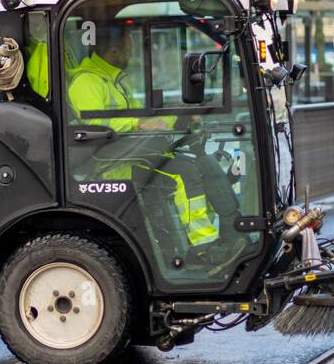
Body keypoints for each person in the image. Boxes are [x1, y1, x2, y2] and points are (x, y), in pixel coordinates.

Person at [67, 27, 238, 255]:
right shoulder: (86, 82)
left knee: (204, 163)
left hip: (133, 152)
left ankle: (233, 234)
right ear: (115, 51)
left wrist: (179, 118)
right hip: (114, 164)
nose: (133, 54)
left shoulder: (115, 81)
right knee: (184, 173)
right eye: (130, 49)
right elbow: (96, 122)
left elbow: (143, 118)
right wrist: (137, 125)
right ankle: (202, 249)